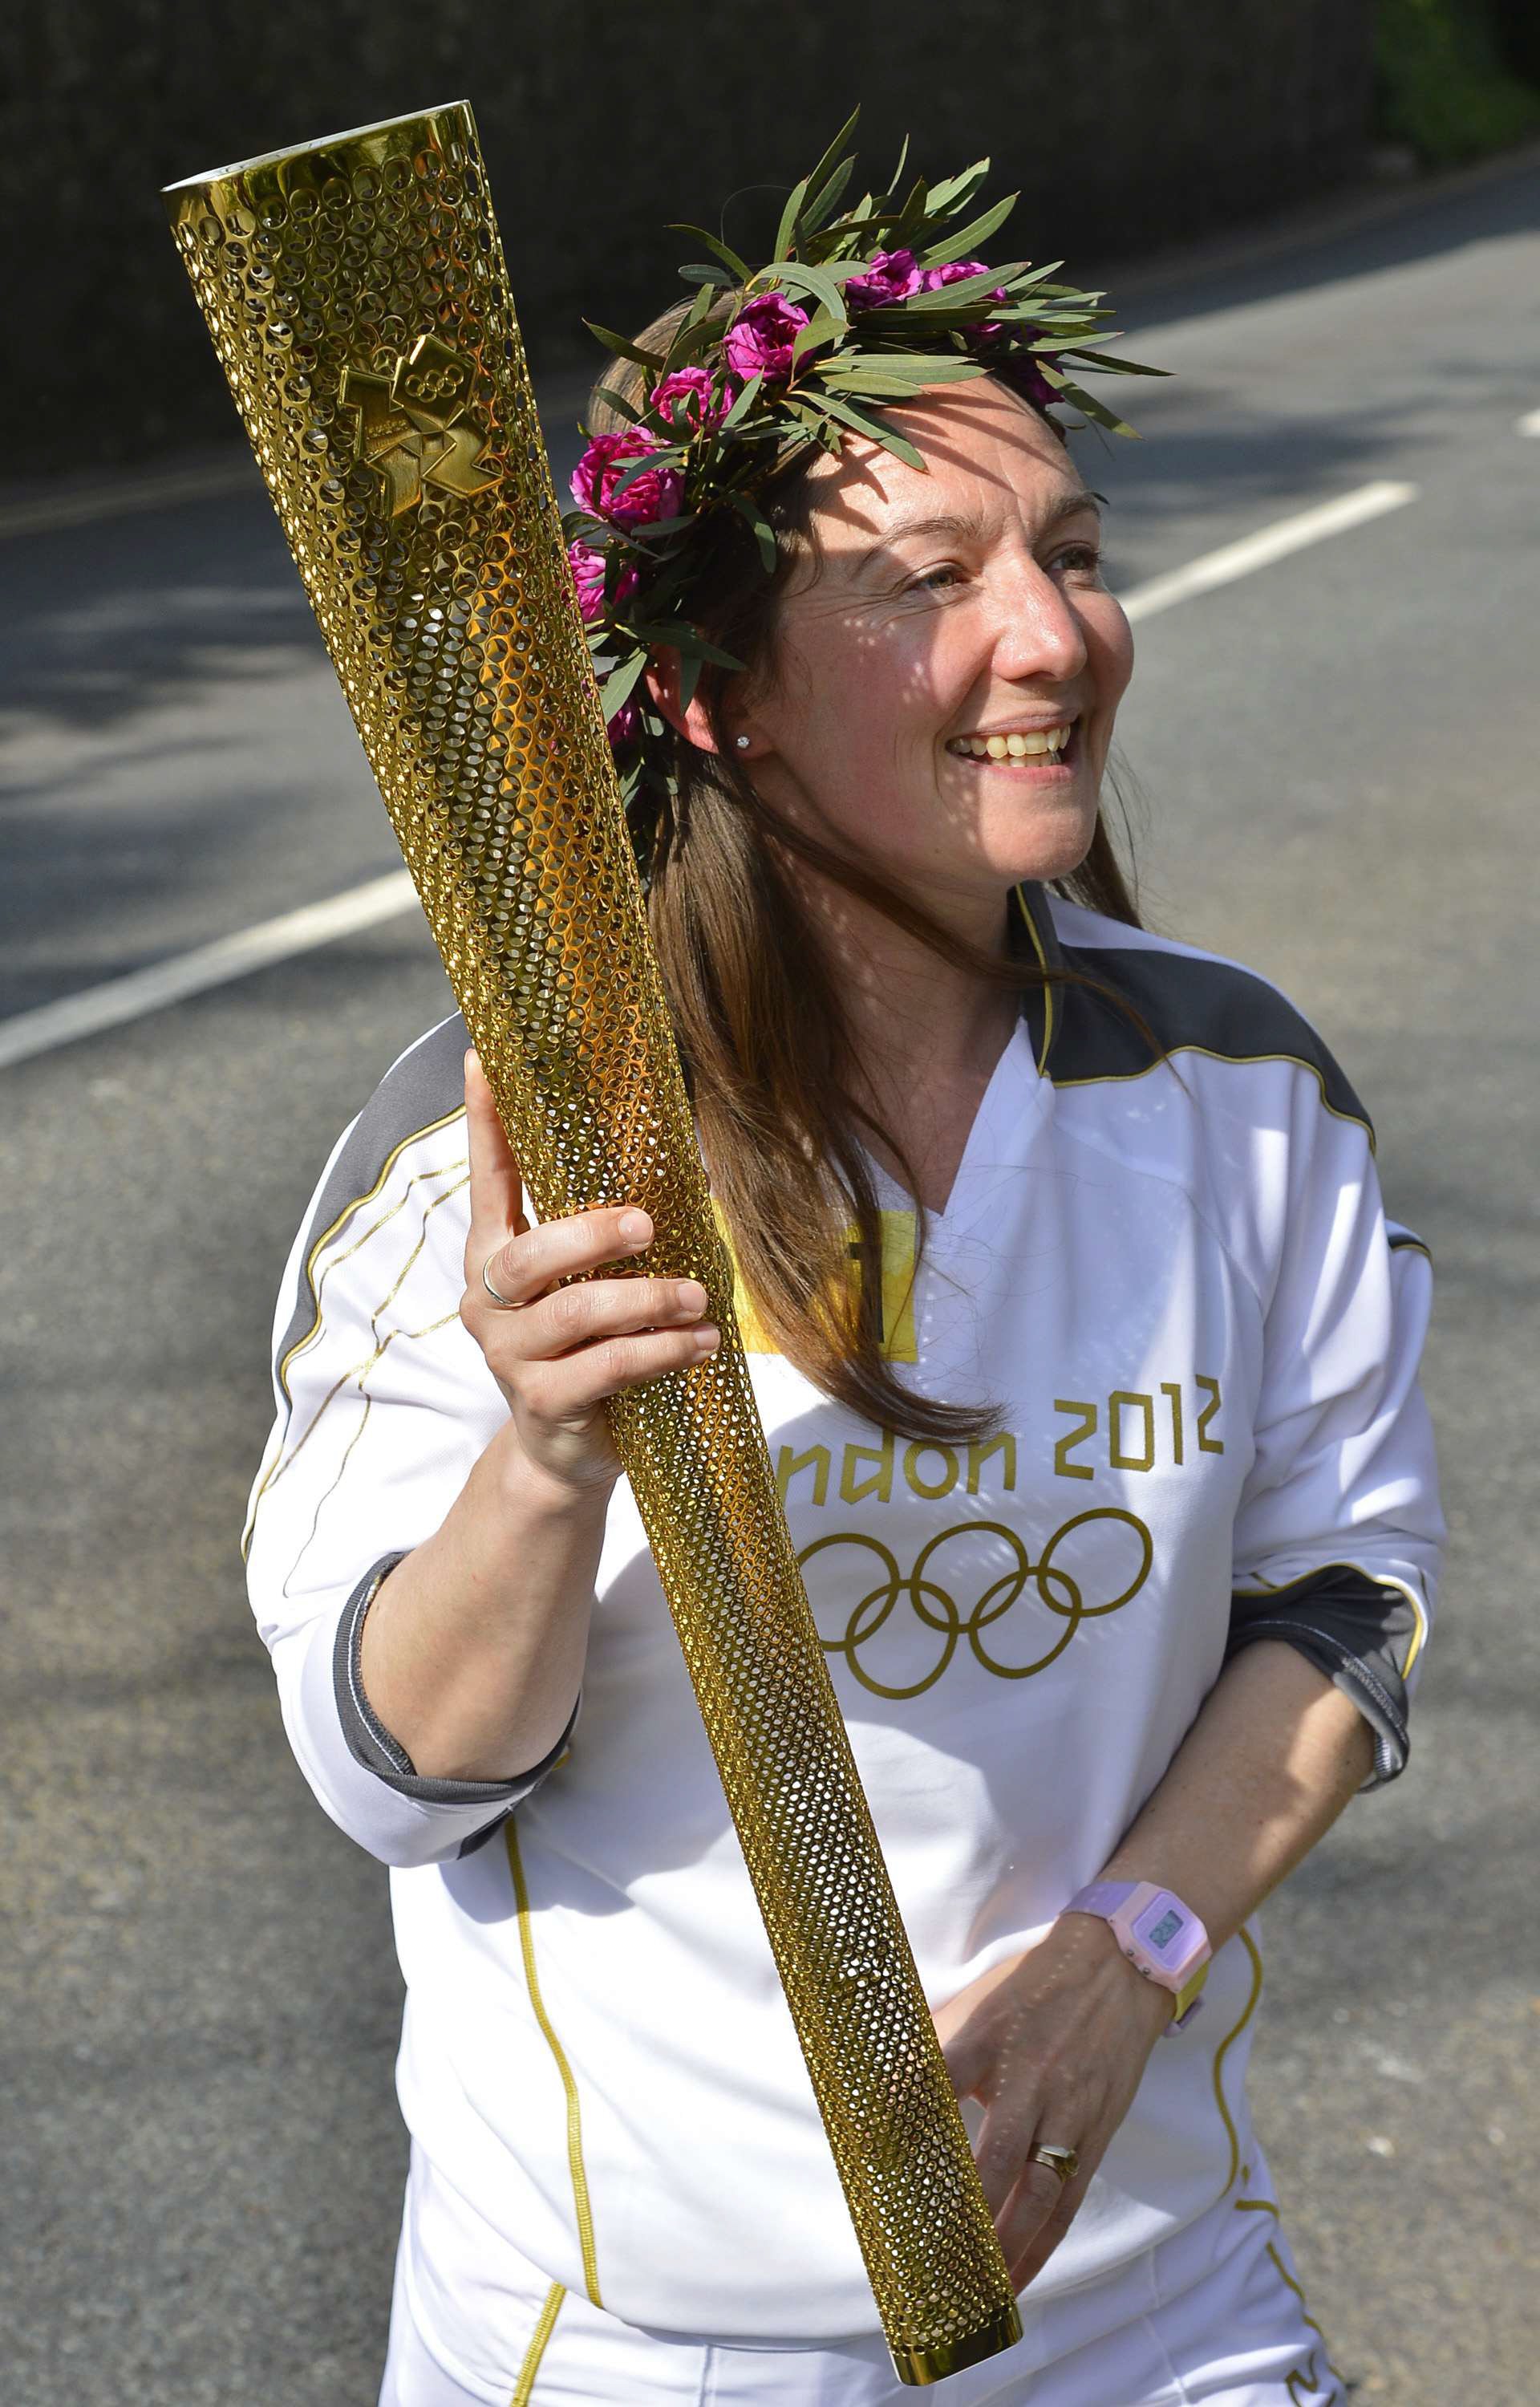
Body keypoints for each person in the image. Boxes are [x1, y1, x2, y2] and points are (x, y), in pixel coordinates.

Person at [245, 126, 1442, 2407]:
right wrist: (540, 1460)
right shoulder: (499, 1154)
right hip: (639, 2344)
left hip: (1143, 2310)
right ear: (713, 690)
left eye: (1074, 558)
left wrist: (1132, 1949)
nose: (1048, 635)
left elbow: (1343, 1598)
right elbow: (393, 1772)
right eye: (929, 578)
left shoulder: (1236, 1092)